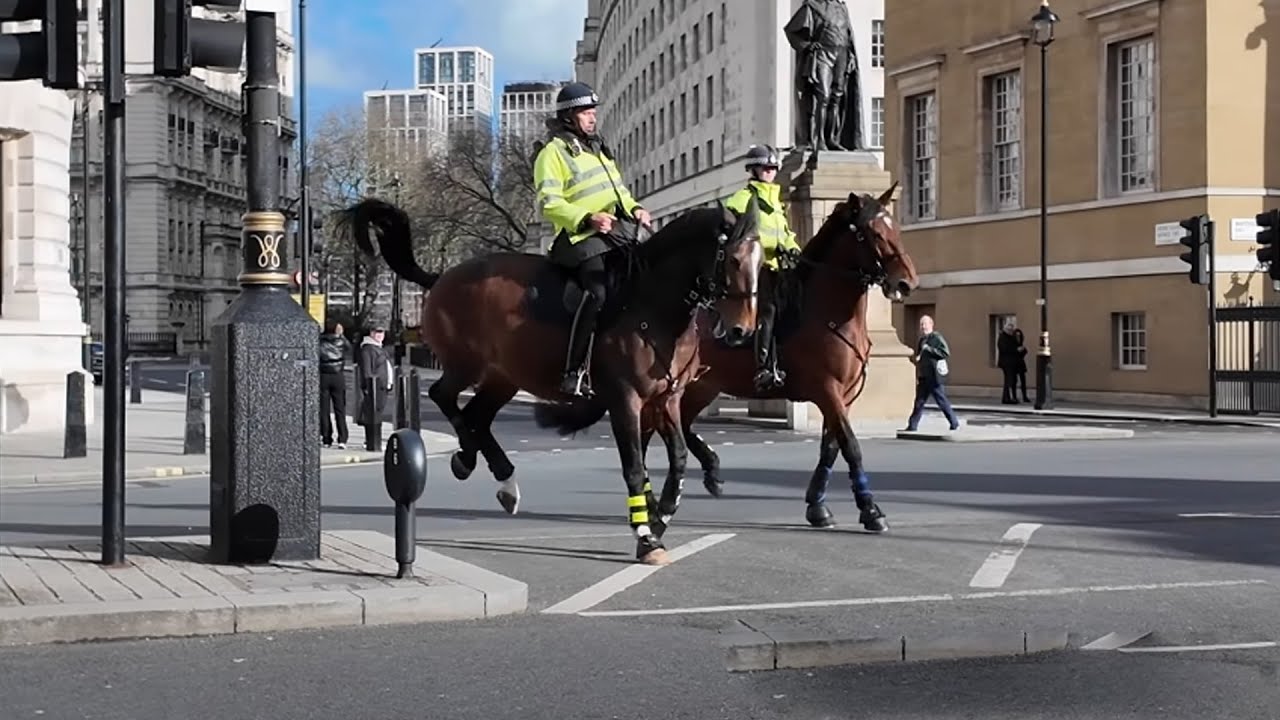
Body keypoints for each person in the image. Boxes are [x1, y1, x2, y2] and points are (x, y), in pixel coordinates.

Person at [533, 81, 652, 397]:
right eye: (586, 111)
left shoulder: (599, 148)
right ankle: (574, 370)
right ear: (569, 116)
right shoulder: (553, 153)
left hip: (616, 233)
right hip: (578, 237)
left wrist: (636, 208)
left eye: (593, 111)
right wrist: (587, 218)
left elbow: (619, 192)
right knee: (597, 293)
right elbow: (549, 203)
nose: (592, 117)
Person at [725, 144, 803, 390]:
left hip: (780, 267)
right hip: (757, 270)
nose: (769, 172)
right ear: (754, 169)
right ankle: (763, 368)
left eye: (772, 167)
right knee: (767, 311)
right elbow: (738, 235)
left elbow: (786, 233)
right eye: (765, 168)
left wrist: (793, 249)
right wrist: (769, 247)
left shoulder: (776, 201)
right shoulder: (743, 198)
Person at [905, 314, 961, 432]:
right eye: (921, 324)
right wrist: (919, 358)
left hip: (934, 376)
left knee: (941, 400)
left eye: (925, 324)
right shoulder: (922, 340)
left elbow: (945, 352)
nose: (923, 327)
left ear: (931, 325)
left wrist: (930, 349)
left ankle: (954, 422)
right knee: (919, 401)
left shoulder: (936, 337)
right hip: (924, 375)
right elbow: (921, 353)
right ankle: (912, 425)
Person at [354, 326, 393, 450]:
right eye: (377, 332)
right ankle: (371, 441)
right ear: (371, 333)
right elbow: (367, 371)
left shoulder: (379, 348)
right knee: (373, 415)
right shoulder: (367, 349)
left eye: (382, 332)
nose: (380, 335)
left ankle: (373, 440)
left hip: (382, 387)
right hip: (375, 387)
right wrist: (370, 386)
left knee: (377, 414)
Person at [318, 319, 351, 448]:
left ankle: (326, 437)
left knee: (324, 409)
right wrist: (341, 335)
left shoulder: (320, 341)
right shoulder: (340, 341)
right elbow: (349, 348)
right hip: (338, 376)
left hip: (323, 375)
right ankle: (342, 438)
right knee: (340, 409)